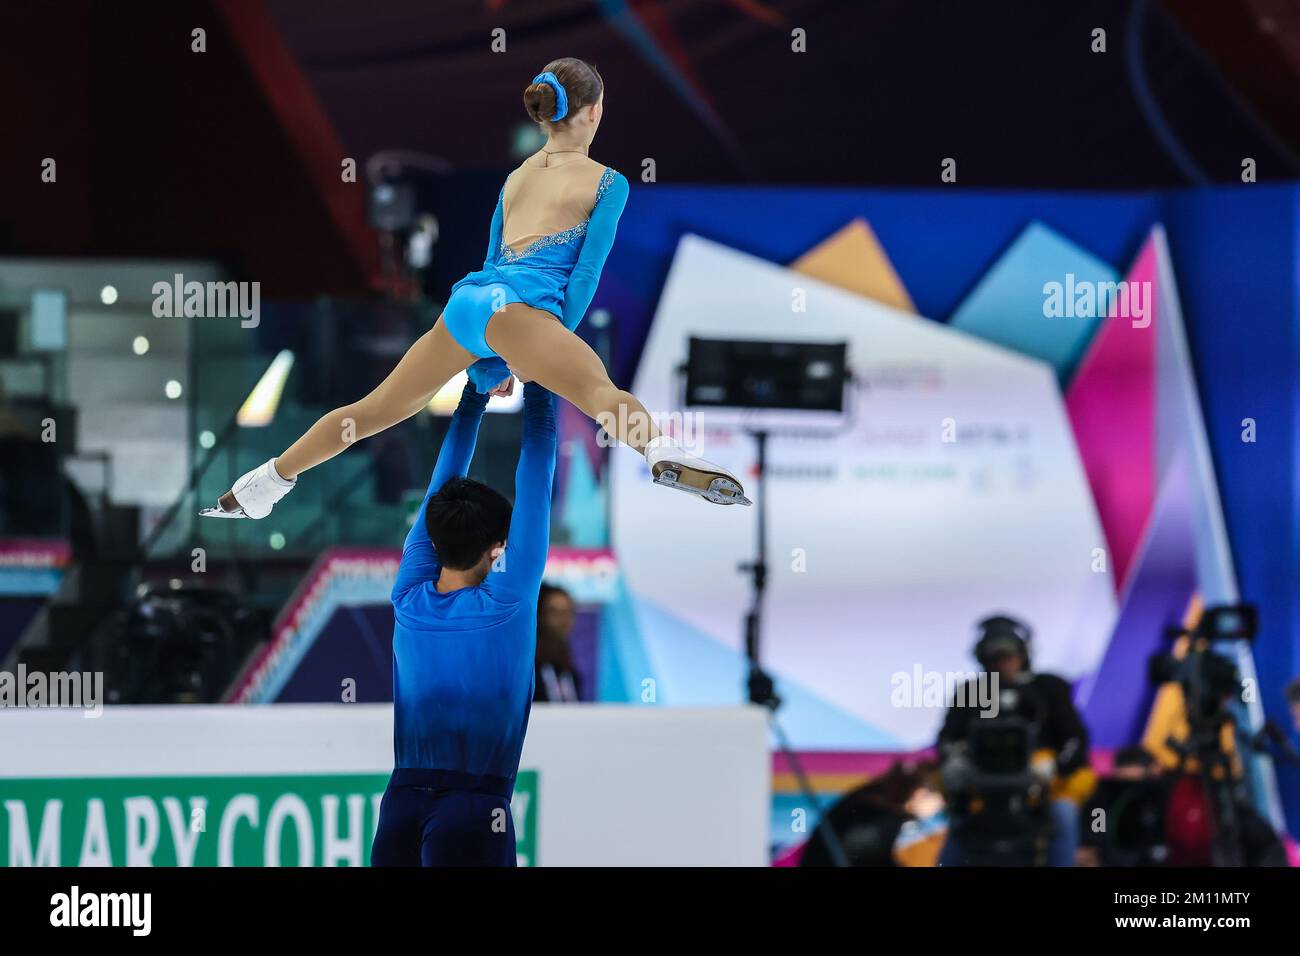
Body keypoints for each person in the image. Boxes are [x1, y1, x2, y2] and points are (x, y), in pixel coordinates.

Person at [201, 57, 749, 522]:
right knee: (600, 392)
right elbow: (585, 274)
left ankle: (262, 485)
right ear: (595, 111)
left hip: (469, 303)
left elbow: (491, 259)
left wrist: (495, 359)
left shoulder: (516, 177)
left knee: (369, 411)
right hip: (519, 311)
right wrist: (544, 345)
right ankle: (661, 452)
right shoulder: (608, 182)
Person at [369, 379, 554, 866]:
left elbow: (441, 489)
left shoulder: (407, 597)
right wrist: (537, 375)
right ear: (498, 547)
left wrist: (476, 389)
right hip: (474, 809)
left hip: (400, 808)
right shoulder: (507, 599)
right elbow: (536, 469)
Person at [937, 614, 1091, 867]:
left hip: (1039, 790)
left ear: (1023, 654)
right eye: (995, 657)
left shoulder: (1048, 688)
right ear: (983, 659)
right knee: (957, 823)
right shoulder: (971, 692)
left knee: (1063, 815)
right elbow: (946, 740)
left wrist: (1052, 767)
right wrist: (956, 765)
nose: (1003, 663)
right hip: (982, 789)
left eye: (1008, 656)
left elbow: (1076, 740)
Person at [534, 583, 582, 702]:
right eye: (554, 612)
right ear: (540, 615)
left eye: (567, 612)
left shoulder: (571, 673)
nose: (563, 619)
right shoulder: (528, 672)